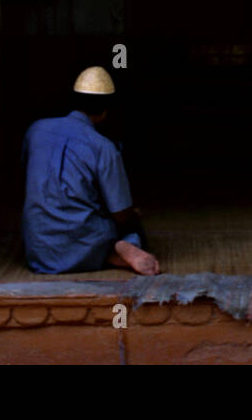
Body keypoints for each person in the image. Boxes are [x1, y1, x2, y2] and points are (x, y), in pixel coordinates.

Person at [20, 66, 161, 275]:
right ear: (106, 111)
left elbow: (27, 175)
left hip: (38, 249)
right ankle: (116, 249)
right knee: (132, 226)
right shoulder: (103, 147)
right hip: (85, 243)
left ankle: (108, 254)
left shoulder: (36, 130)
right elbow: (121, 215)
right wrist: (132, 215)